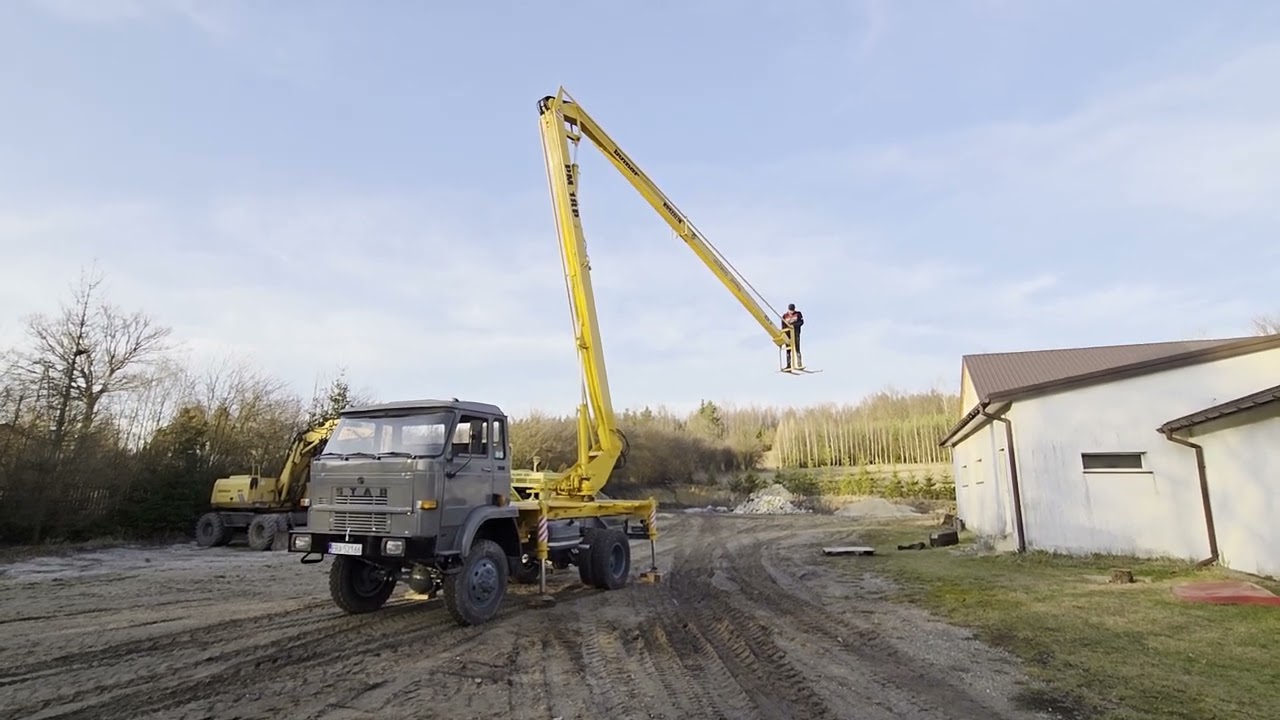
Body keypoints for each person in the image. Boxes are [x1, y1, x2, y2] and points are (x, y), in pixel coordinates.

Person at [781, 303, 804, 370]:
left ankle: (799, 363)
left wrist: (794, 325)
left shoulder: (798, 314)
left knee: (797, 348)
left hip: (796, 333)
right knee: (788, 349)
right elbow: (783, 325)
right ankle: (789, 365)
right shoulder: (785, 316)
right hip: (788, 334)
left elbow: (801, 322)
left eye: (793, 310)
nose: (792, 312)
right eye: (791, 310)